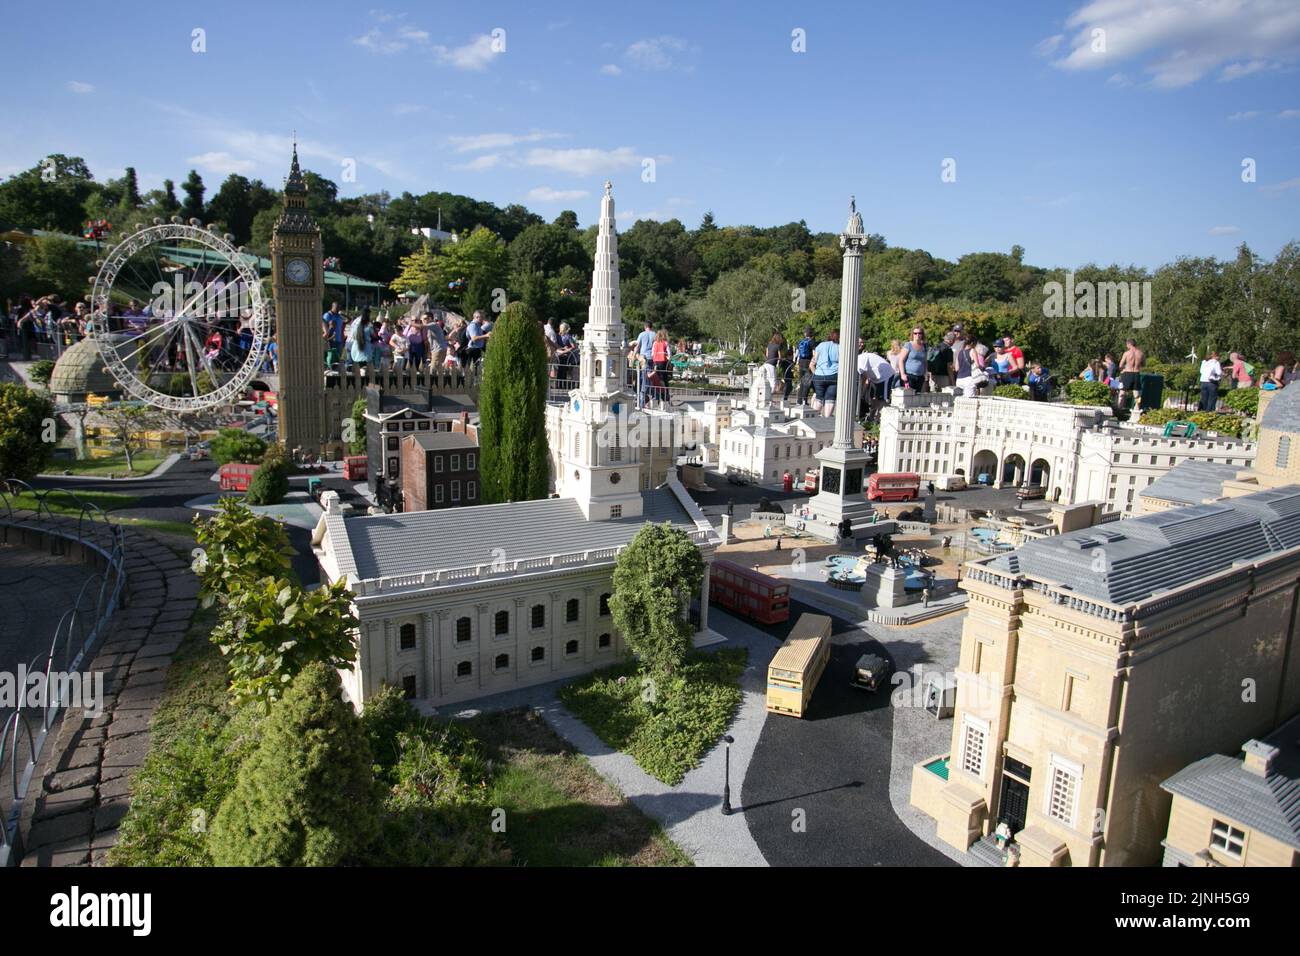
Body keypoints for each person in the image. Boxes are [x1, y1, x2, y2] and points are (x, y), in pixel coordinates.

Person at [811, 329, 840, 417]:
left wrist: (815, 374)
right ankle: (826, 420)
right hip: (833, 376)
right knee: (830, 398)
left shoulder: (820, 345)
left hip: (819, 375)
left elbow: (812, 364)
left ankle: (813, 419)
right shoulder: (840, 347)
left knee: (819, 397)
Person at [897, 327, 928, 392]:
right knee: (908, 397)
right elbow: (901, 360)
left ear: (922, 335)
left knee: (917, 398)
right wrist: (902, 374)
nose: (917, 335)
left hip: (920, 376)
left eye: (919, 333)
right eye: (915, 333)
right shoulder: (908, 345)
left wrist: (925, 373)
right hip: (909, 376)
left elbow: (925, 361)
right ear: (912, 335)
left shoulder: (924, 346)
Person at [1118, 338, 1145, 411]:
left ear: (1129, 344)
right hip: (1136, 373)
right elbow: (1143, 364)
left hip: (1127, 373)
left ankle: (1119, 409)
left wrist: (1123, 369)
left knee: (1122, 393)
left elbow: (1120, 365)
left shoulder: (1126, 353)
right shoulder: (1141, 353)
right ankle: (1137, 410)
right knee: (1137, 395)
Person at [635, 320, 656, 408]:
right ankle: (649, 398)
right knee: (649, 378)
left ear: (645, 327)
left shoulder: (641, 334)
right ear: (651, 326)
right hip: (651, 358)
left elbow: (637, 346)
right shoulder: (654, 334)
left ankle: (642, 402)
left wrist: (634, 357)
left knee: (643, 379)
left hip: (643, 358)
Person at [795, 325, 816, 405]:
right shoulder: (812, 342)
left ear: (805, 333)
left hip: (801, 363)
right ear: (812, 333)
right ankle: (804, 401)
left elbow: (797, 354)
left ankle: (799, 401)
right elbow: (814, 354)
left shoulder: (801, 342)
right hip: (808, 363)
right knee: (806, 382)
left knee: (801, 382)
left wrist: (796, 362)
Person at [322, 302, 346, 371]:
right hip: (331, 340)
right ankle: (329, 371)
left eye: (339, 308)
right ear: (332, 307)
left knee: (338, 359)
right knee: (330, 358)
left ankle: (336, 372)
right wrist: (330, 335)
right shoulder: (327, 315)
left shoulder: (338, 315)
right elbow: (324, 329)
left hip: (339, 340)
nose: (338, 309)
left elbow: (347, 321)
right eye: (337, 308)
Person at [651, 329, 673, 405]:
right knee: (664, 380)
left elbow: (652, 354)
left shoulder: (654, 343)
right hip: (663, 363)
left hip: (655, 363)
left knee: (657, 380)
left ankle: (658, 397)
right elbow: (669, 355)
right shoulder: (665, 343)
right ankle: (666, 397)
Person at [556, 322, 579, 389]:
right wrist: (566, 349)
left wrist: (562, 349)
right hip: (565, 355)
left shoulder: (559, 336)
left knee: (561, 370)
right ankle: (562, 385)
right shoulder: (568, 336)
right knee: (563, 370)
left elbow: (557, 345)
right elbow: (574, 346)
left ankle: (559, 385)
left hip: (561, 355)